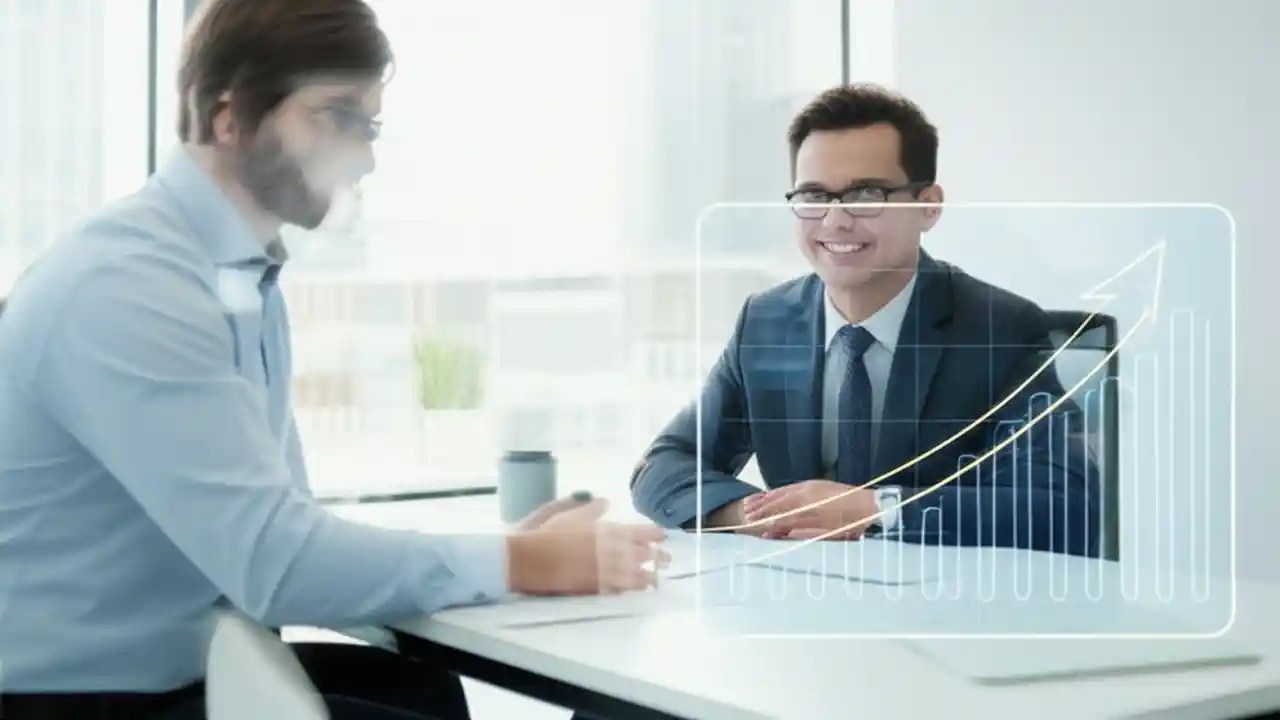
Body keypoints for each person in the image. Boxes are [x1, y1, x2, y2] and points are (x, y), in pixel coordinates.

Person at [0, 1, 665, 718]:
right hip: (77, 700)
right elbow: (278, 563)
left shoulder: (236, 278)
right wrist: (522, 564)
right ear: (229, 115)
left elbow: (288, 528)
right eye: (338, 116)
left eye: (369, 124)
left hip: (200, 666)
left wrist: (506, 555)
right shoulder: (131, 286)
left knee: (424, 691)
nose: (366, 156)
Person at [631, 83, 1099, 556]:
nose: (835, 221)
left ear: (928, 205)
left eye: (866, 192)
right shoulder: (767, 323)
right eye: (814, 195)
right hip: (801, 600)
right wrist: (758, 515)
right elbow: (663, 466)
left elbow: (1066, 502)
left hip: (941, 607)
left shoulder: (1001, 328)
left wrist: (877, 511)